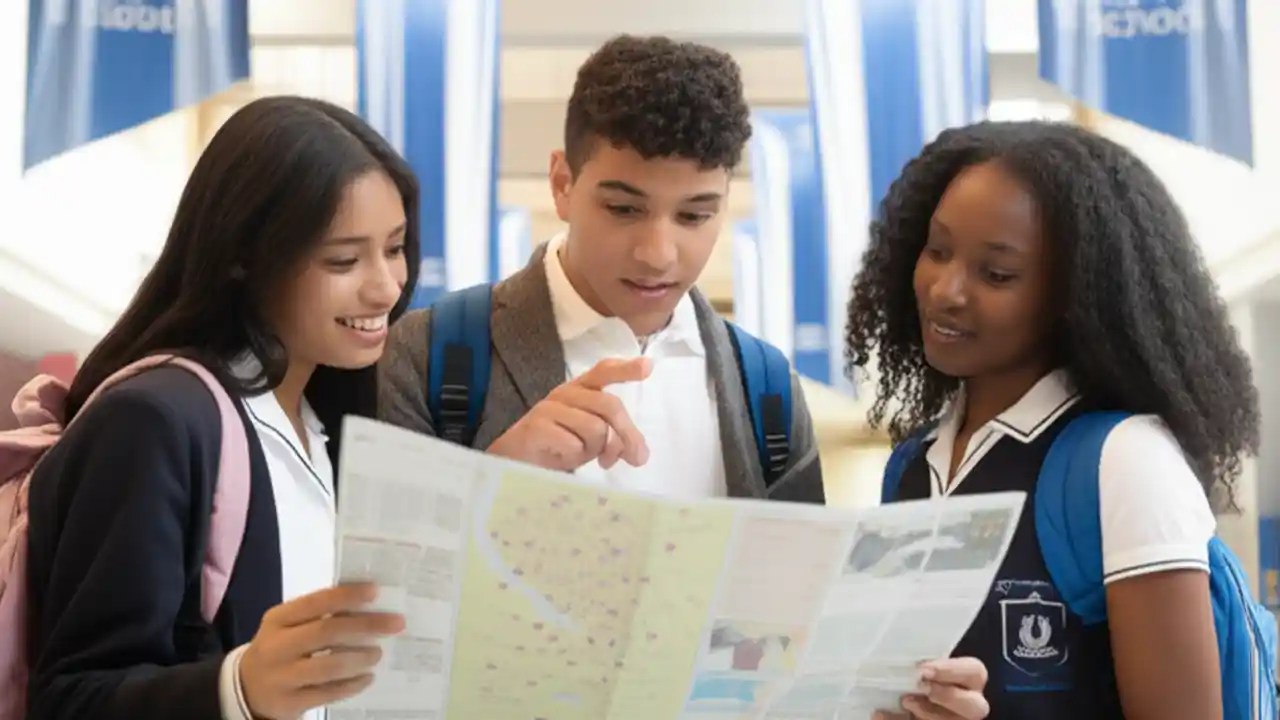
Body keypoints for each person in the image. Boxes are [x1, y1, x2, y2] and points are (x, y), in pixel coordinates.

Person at [379, 34, 990, 720]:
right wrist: (498, 483)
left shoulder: (765, 389)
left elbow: (794, 653)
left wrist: (894, 688)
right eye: (624, 208)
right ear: (562, 184)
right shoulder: (431, 356)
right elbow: (373, 624)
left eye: (696, 214)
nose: (659, 252)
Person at [846, 120, 1261, 719]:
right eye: (937, 250)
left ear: (1076, 296)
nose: (946, 290)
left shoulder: (1123, 461)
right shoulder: (913, 466)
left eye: (997, 274)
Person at [24, 96, 417, 720]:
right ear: (245, 257)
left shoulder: (325, 425)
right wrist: (237, 688)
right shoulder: (157, 423)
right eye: (344, 259)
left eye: (394, 248)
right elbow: (71, 696)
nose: (387, 286)